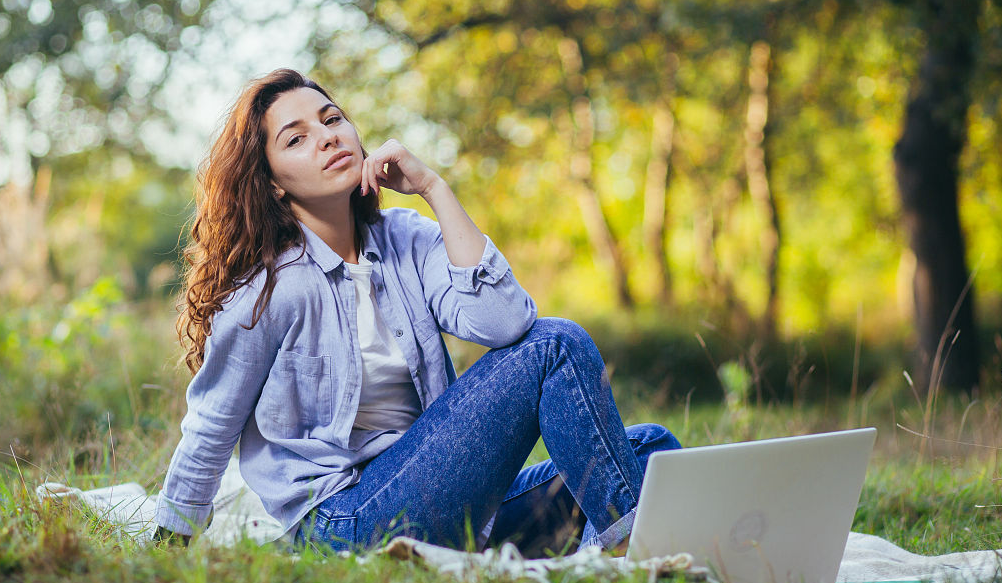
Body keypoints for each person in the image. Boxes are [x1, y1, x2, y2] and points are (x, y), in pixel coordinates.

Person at [153, 68, 681, 555]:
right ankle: (629, 553)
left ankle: (608, 544)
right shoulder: (270, 289)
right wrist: (167, 547)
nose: (327, 137)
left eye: (332, 119)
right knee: (557, 345)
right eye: (296, 139)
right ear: (272, 181)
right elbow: (212, 425)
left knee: (651, 453)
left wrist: (434, 188)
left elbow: (505, 323)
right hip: (342, 522)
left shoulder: (406, 239)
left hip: (430, 493)